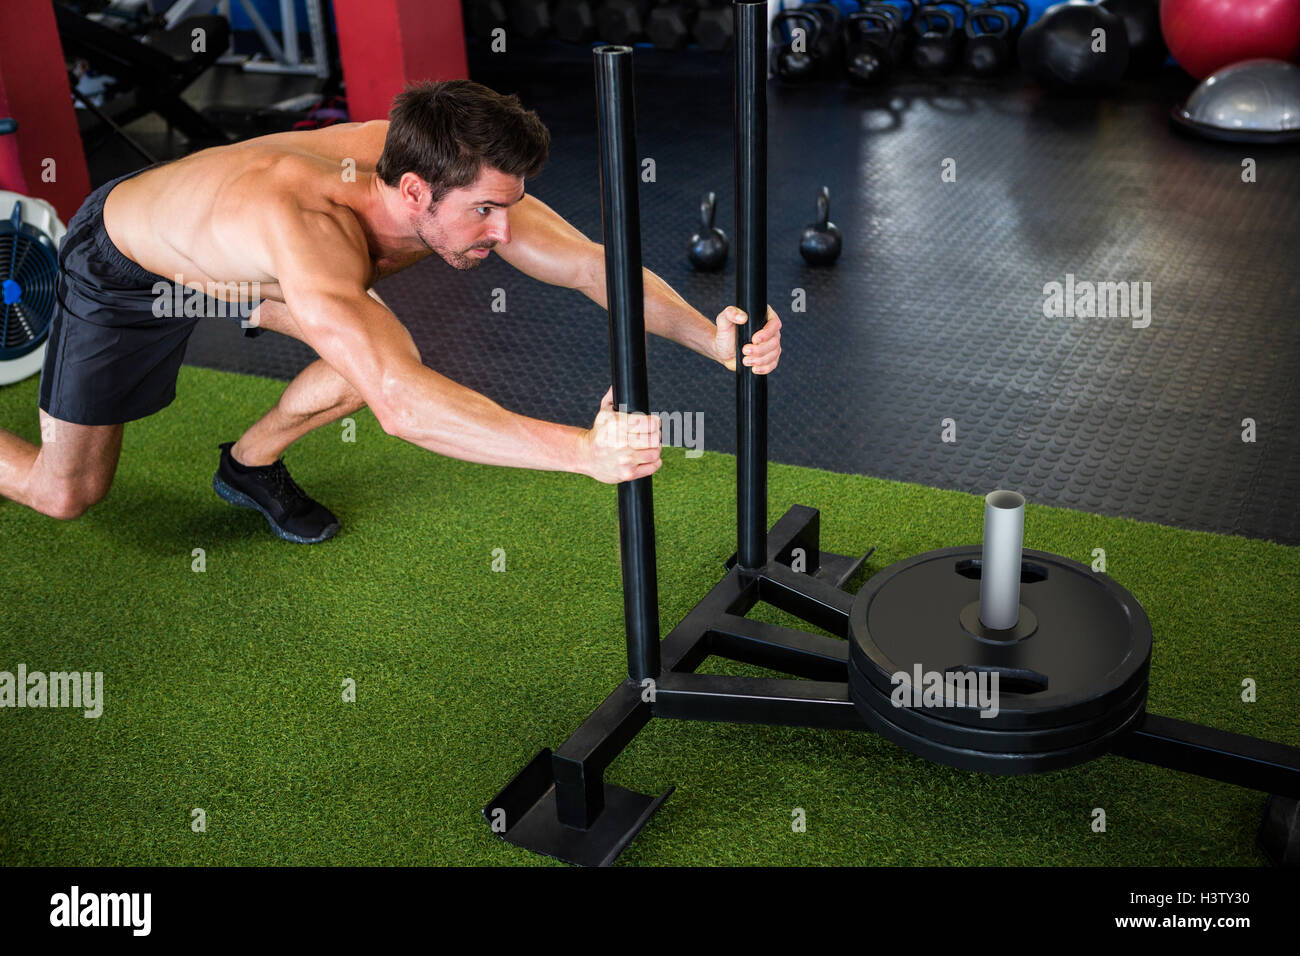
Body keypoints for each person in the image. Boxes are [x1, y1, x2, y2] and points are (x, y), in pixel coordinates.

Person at [0, 80, 782, 543]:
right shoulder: (309, 226)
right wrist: (583, 453)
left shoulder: (438, 167)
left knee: (366, 358)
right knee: (65, 495)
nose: (504, 232)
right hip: (125, 265)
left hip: (239, 260)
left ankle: (248, 464)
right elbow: (404, 409)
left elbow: (589, 267)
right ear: (415, 195)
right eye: (484, 213)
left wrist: (713, 340)